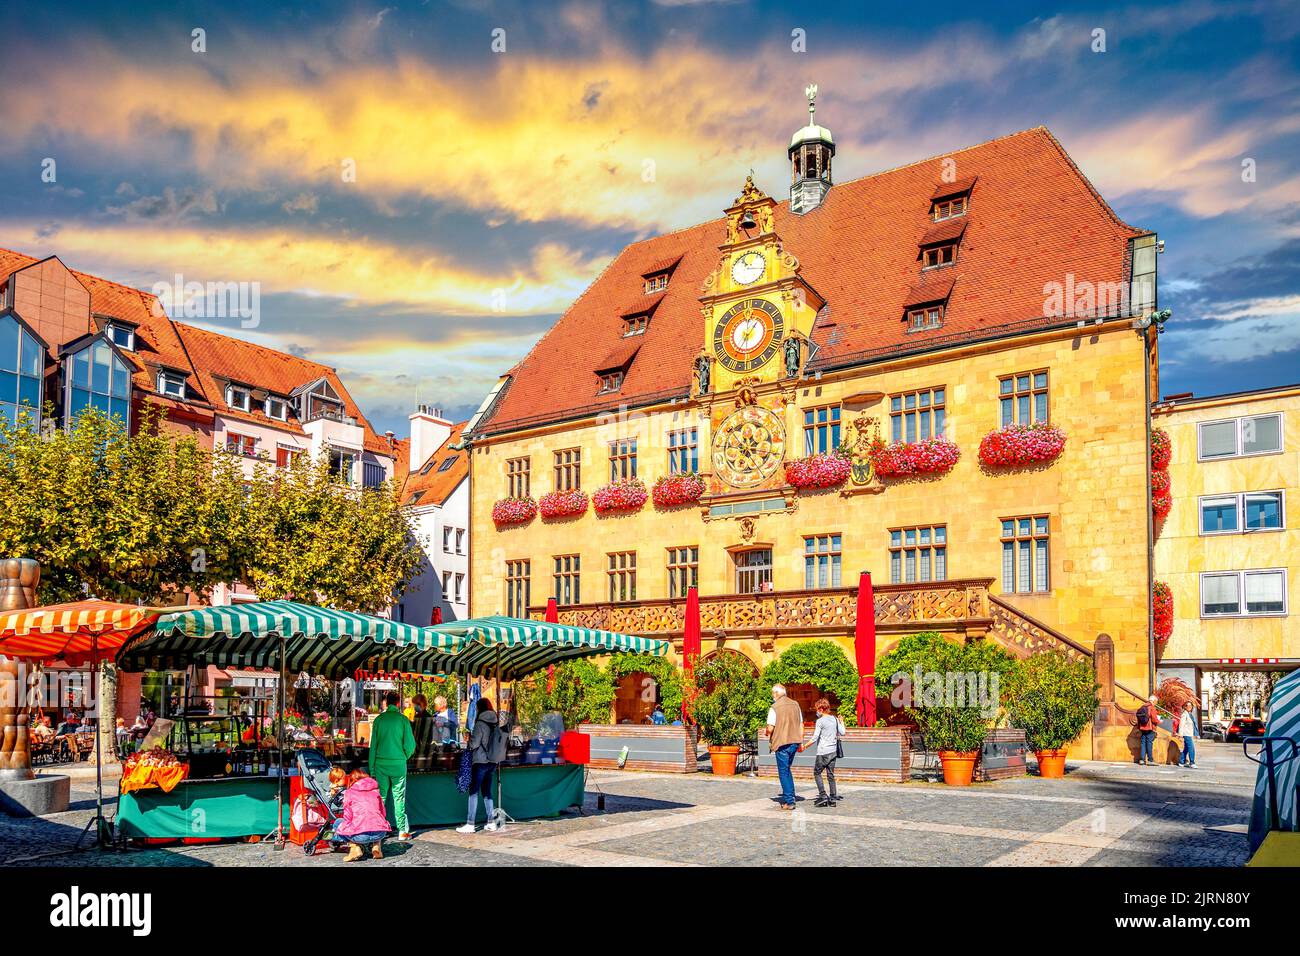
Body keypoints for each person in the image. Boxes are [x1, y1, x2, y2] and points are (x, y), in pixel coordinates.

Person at [368, 691, 415, 841]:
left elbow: (373, 747)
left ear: (386, 703)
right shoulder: (403, 720)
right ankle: (402, 830)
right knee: (399, 797)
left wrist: (372, 768)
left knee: (381, 797)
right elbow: (410, 745)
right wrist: (403, 757)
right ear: (398, 702)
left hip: (381, 764)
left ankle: (379, 829)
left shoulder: (379, 720)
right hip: (398, 764)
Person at [457, 698, 508, 834]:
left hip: (480, 761)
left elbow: (474, 744)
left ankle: (470, 823)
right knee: (487, 792)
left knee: (473, 791)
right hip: (492, 762)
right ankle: (491, 822)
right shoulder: (495, 722)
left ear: (479, 708)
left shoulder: (480, 723)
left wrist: (468, 738)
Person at [334, 769, 391, 861]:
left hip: (360, 836)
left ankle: (354, 848)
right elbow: (383, 813)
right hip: (380, 833)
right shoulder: (376, 792)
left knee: (337, 823)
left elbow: (347, 817)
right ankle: (377, 847)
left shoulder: (349, 793)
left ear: (352, 780)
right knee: (377, 821)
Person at [801, 698, 845, 808]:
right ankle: (833, 798)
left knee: (817, 772)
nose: (816, 711)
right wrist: (841, 721)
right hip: (833, 751)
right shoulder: (835, 719)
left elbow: (815, 737)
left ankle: (823, 796)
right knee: (830, 774)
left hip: (823, 752)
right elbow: (843, 732)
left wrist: (804, 746)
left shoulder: (820, 721)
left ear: (821, 709)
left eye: (817, 709)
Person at [766, 684, 804, 810]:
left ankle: (789, 801)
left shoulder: (774, 707)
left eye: (773, 694)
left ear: (776, 694)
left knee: (783, 771)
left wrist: (767, 732)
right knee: (787, 769)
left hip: (782, 743)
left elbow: (770, 727)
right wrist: (801, 741)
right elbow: (801, 724)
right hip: (794, 741)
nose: (772, 696)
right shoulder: (796, 704)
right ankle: (791, 794)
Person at [410, 694, 435, 768]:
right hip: (425, 748)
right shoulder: (428, 716)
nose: (414, 707)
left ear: (421, 704)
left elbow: (417, 733)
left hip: (421, 750)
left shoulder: (421, 717)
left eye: (415, 705)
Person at [1136, 695, 1160, 765]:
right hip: (1150, 728)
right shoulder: (1152, 707)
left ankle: (1142, 760)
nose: (1156, 703)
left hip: (1142, 727)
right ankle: (1150, 760)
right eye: (1156, 702)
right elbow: (1154, 719)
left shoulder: (1143, 706)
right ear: (1153, 701)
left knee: (1143, 743)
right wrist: (1160, 722)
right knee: (1149, 743)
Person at [1178, 701, 1198, 769]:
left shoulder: (1190, 714)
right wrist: (1180, 735)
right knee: (1191, 748)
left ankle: (1181, 762)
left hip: (1189, 734)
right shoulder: (1184, 714)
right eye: (1188, 706)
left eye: (1190, 706)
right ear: (1185, 707)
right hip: (1186, 734)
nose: (1189, 707)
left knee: (1186, 748)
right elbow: (1181, 725)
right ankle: (1192, 763)